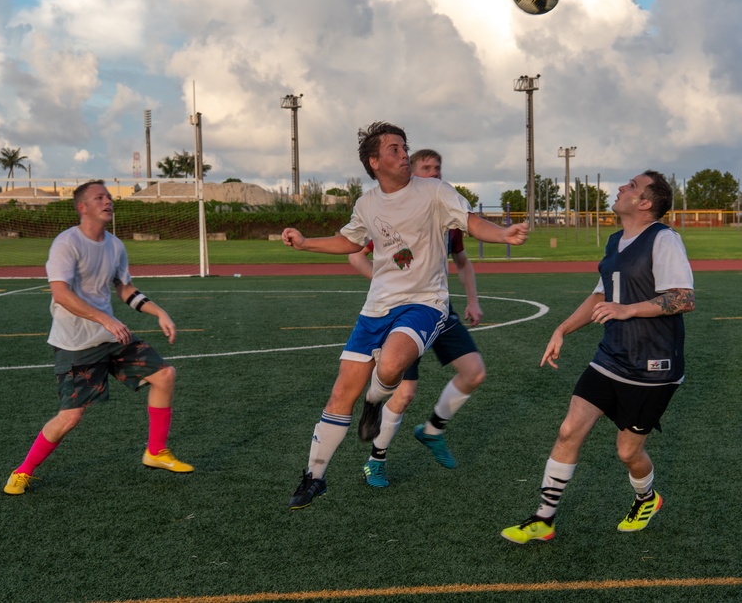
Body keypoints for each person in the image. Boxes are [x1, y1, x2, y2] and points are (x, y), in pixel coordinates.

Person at [282, 122, 528, 509]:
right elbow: (351, 240)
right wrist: (305, 243)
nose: (404, 155)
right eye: (395, 149)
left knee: (394, 363)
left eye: (404, 147)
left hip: (425, 301)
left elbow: (472, 223)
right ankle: (315, 477)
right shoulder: (367, 204)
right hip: (376, 306)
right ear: (374, 161)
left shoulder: (434, 191)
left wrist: (503, 233)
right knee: (341, 392)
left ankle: (376, 402)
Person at [500, 170, 694, 544]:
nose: (622, 188)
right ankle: (543, 518)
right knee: (568, 430)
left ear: (646, 203)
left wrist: (628, 309)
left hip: (653, 367)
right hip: (610, 356)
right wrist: (562, 330)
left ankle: (647, 498)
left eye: (632, 186)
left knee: (627, 452)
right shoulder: (614, 242)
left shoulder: (664, 239)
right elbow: (599, 297)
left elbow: (684, 298)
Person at [3, 181, 192, 495]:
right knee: (71, 416)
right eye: (99, 197)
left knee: (164, 375)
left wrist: (158, 312)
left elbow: (125, 288)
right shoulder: (66, 244)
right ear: (83, 207)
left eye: (108, 196)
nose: (108, 201)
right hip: (76, 344)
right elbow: (60, 294)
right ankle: (23, 471)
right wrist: (105, 317)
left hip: (111, 336)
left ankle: (155, 452)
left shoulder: (115, 245)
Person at [347, 149, 486, 487]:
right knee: (405, 392)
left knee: (474, 372)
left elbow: (463, 262)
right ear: (414, 171)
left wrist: (472, 300)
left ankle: (432, 430)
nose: (433, 172)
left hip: (437, 307)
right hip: (401, 312)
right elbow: (355, 256)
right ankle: (375, 460)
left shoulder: (444, 206)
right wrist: (389, 284)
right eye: (427, 167)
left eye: (438, 167)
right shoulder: (396, 209)